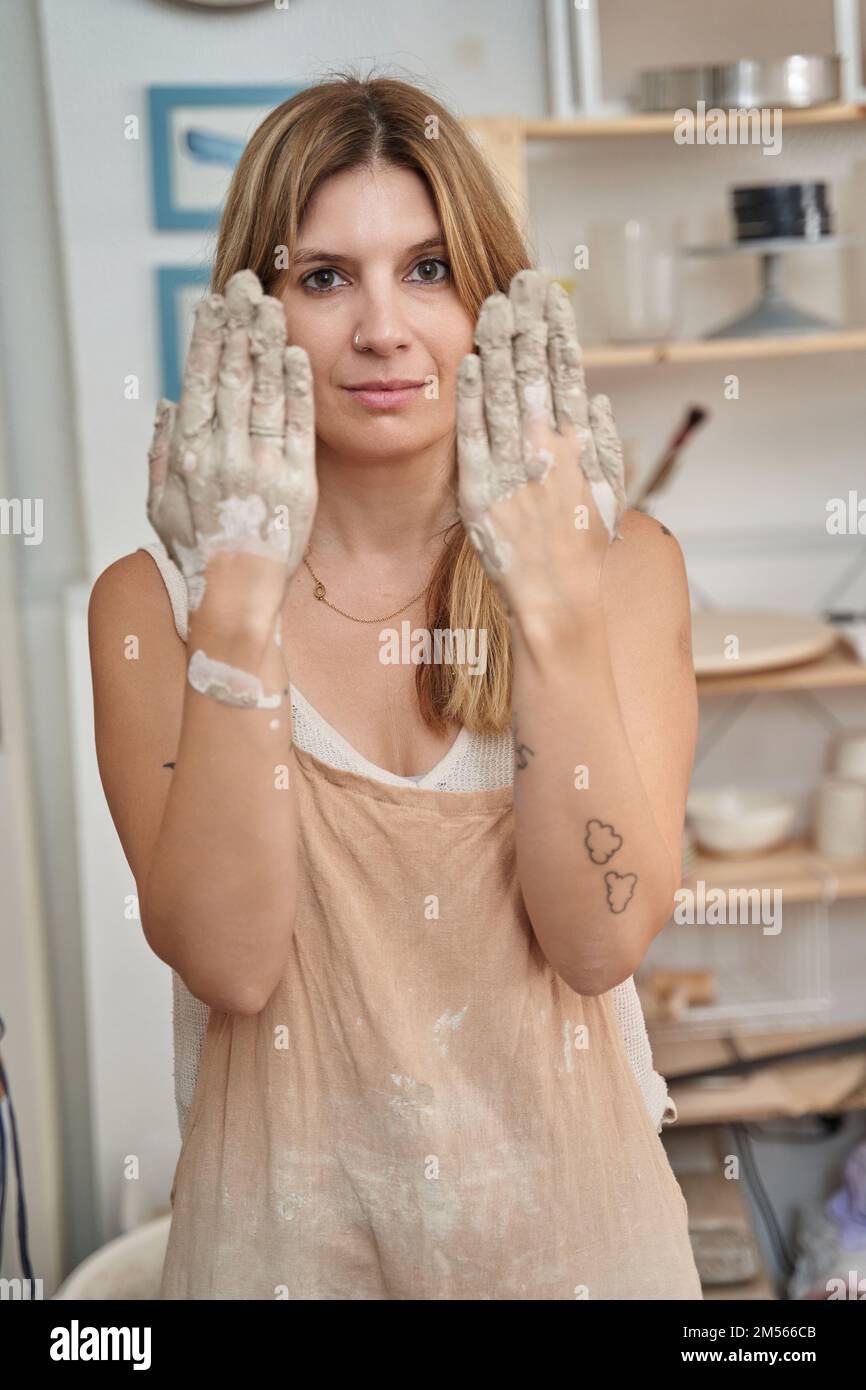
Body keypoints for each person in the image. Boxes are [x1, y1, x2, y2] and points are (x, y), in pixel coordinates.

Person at [89, 71, 702, 1300]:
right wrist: (238, 606)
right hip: (278, 1256)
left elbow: (598, 942)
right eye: (325, 278)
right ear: (256, 314)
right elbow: (230, 962)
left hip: (581, 1252)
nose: (383, 330)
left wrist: (552, 610)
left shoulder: (623, 566)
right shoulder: (153, 604)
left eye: (427, 270)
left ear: (490, 296)